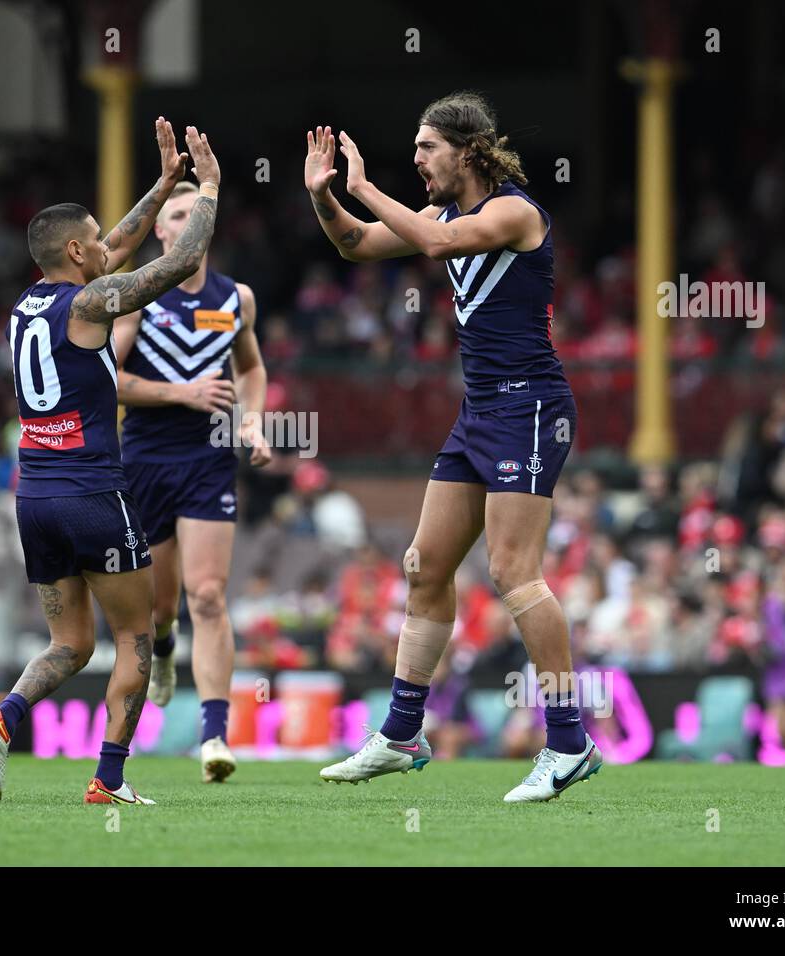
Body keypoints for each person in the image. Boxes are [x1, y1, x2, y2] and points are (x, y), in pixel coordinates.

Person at [306, 91, 601, 801]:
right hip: (480, 413)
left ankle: (568, 742)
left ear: (468, 150)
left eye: (426, 147)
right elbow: (353, 243)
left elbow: (436, 245)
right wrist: (324, 197)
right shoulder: (440, 215)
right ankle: (402, 734)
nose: (416, 159)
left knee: (513, 573)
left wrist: (364, 184)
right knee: (424, 566)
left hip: (529, 407)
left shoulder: (514, 212)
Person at [0, 119, 222, 806]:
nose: (108, 243)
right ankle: (108, 780)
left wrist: (164, 183)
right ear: (76, 250)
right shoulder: (89, 304)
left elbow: (113, 248)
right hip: (93, 496)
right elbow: (170, 266)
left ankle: (2, 717)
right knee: (134, 641)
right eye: (96, 238)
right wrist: (208, 195)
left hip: (35, 499)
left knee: (68, 645)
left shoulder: (28, 304)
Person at [111, 179, 272, 783]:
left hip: (209, 457)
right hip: (146, 459)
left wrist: (253, 423)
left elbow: (251, 368)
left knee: (207, 596)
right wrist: (182, 392)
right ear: (160, 231)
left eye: (197, 213)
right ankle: (164, 645)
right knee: (160, 605)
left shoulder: (237, 299)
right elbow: (109, 381)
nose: (187, 224)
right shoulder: (137, 298)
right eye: (175, 215)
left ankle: (213, 737)